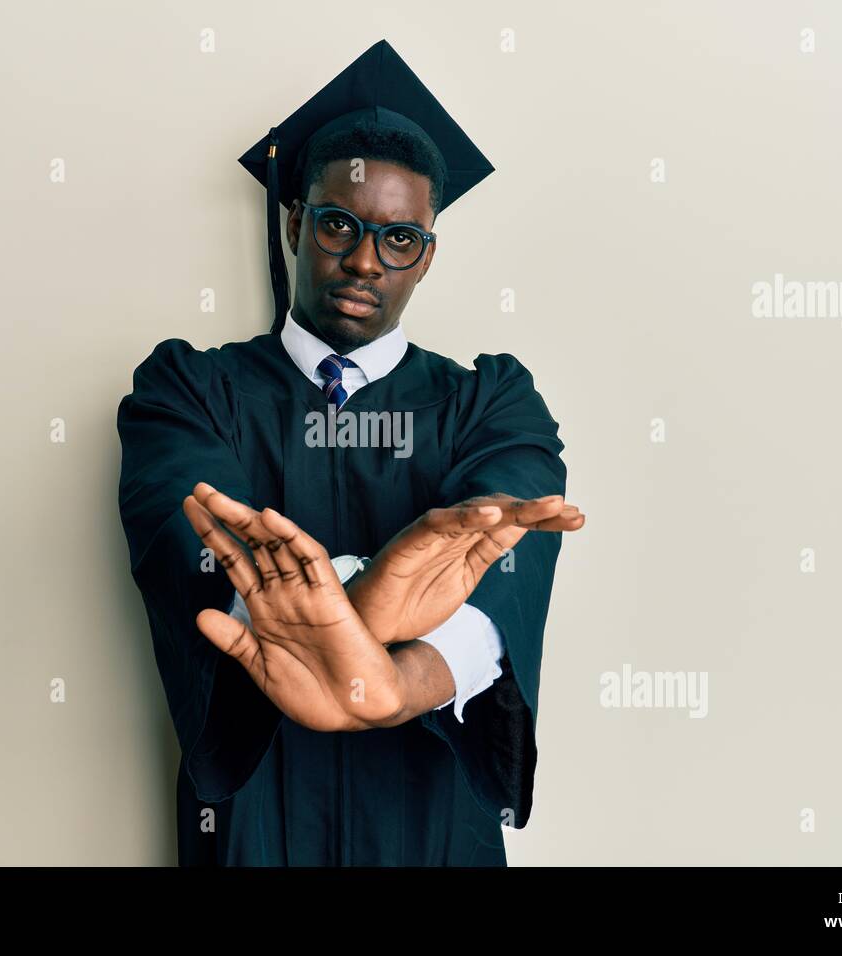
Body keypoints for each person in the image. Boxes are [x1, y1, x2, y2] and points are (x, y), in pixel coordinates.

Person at [117, 39, 585, 866]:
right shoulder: (189, 392)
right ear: (296, 222)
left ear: (426, 257)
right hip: (264, 818)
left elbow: (512, 560)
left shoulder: (492, 401)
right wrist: (375, 602)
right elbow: (182, 540)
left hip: (432, 816)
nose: (366, 259)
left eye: (400, 239)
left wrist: (391, 679)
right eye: (341, 224)